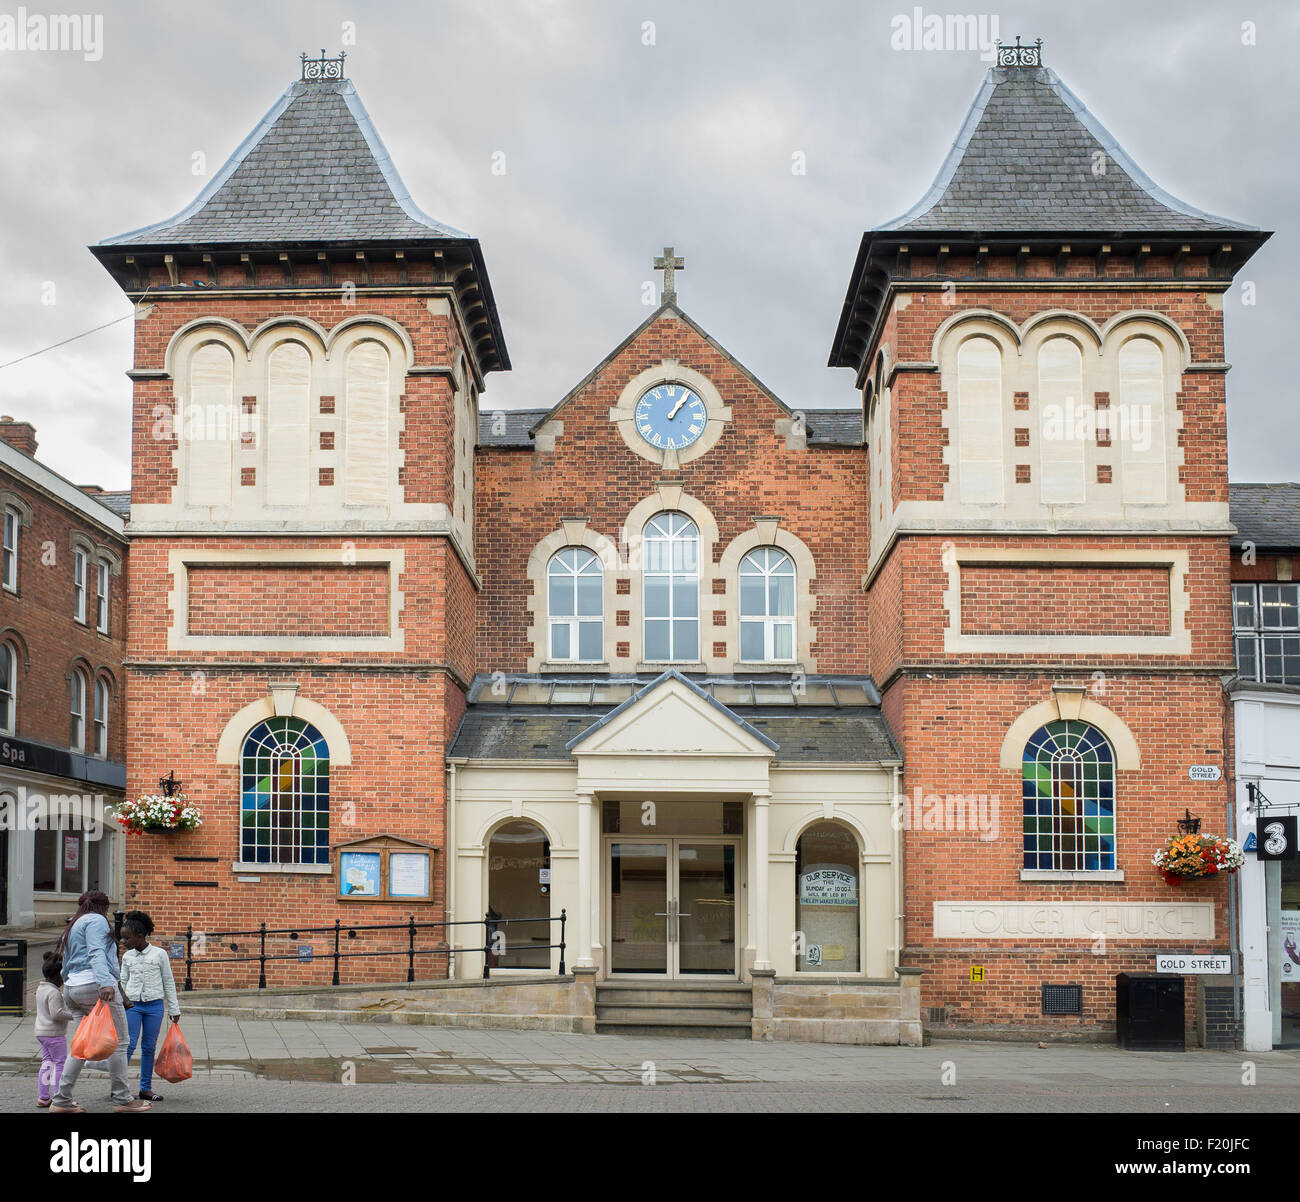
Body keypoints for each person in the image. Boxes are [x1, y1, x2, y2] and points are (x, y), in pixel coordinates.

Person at [48, 890, 151, 1114]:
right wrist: (106, 984)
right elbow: (96, 952)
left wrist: (68, 982)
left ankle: (61, 1101)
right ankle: (123, 1099)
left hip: (73, 988)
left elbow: (66, 959)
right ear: (102, 907)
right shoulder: (96, 921)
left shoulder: (73, 924)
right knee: (120, 1042)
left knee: (80, 1046)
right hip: (96, 986)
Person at [119, 911, 181, 1101]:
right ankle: (120, 1089)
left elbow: (168, 981)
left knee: (148, 1047)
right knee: (128, 1046)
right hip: (132, 1006)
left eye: (127, 938)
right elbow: (122, 981)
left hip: (154, 1006)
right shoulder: (128, 957)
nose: (124, 942)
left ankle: (145, 1088)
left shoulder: (159, 954)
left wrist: (174, 1008)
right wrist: (119, 1003)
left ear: (140, 935)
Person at [34, 951, 75, 1108]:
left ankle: (44, 1097)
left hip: (41, 1032)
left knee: (47, 1063)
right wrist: (74, 1016)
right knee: (60, 1064)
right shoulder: (53, 992)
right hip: (54, 1035)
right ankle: (60, 1097)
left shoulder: (41, 989)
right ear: (58, 975)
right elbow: (56, 1014)